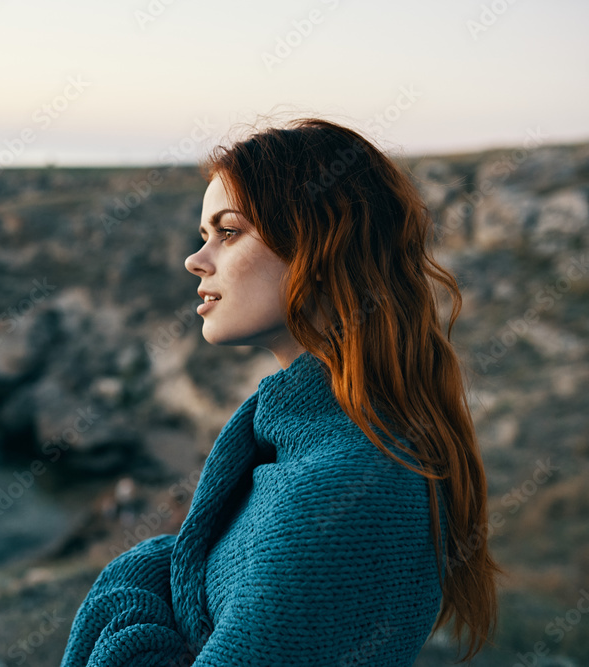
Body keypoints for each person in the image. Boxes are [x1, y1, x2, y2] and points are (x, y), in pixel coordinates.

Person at [59, 117, 502, 666]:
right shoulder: (297, 441)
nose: (196, 260)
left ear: (320, 247)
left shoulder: (347, 489)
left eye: (228, 232)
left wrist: (127, 595)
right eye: (203, 236)